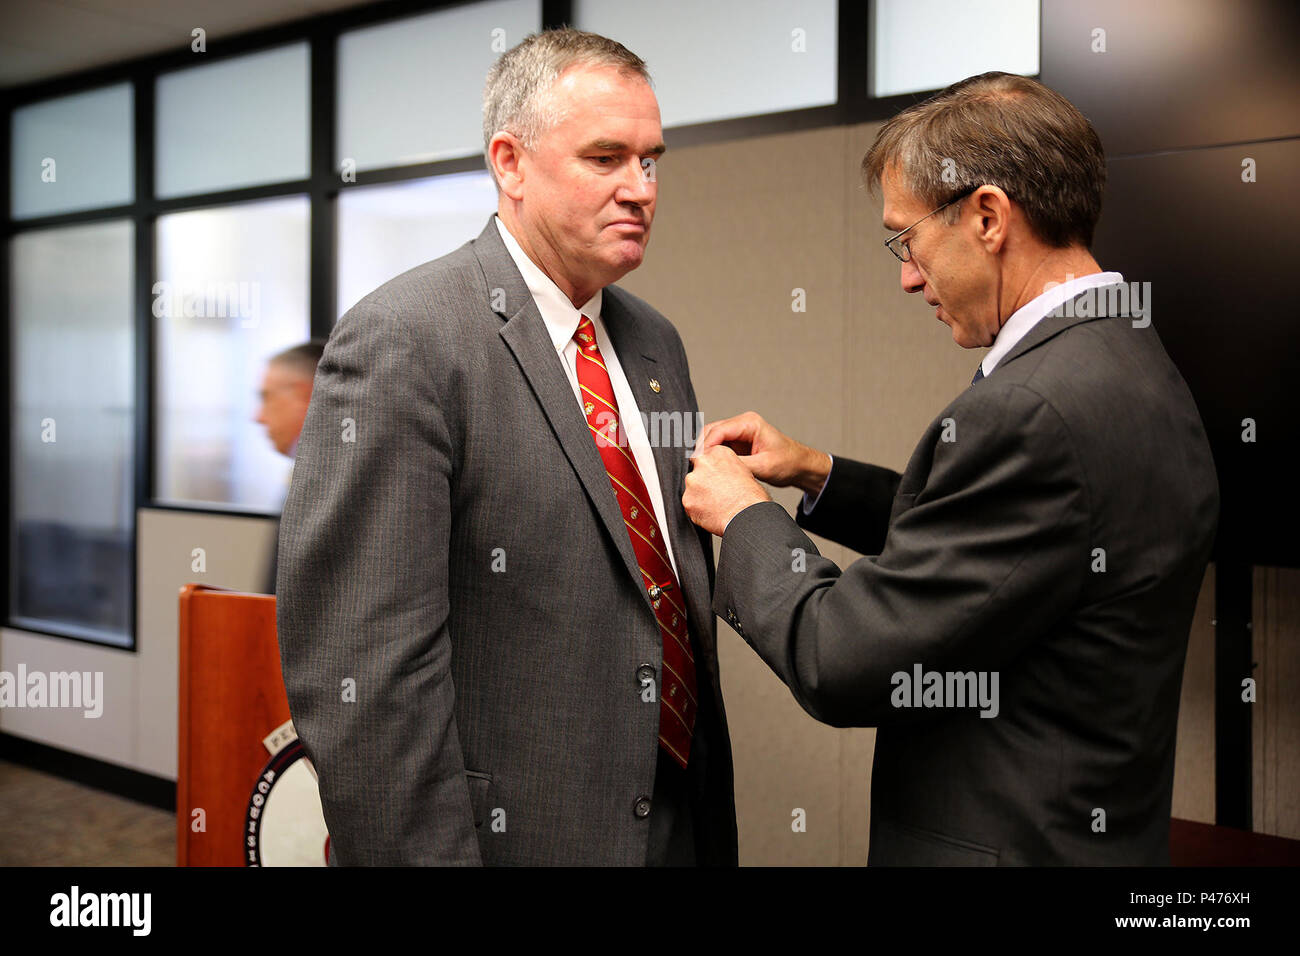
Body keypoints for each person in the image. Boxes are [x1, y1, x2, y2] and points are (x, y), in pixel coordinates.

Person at [683, 72, 1219, 865]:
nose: (907, 276)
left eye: (908, 239)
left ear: (989, 216)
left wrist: (746, 516)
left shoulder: (1032, 408)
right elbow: (1009, 550)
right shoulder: (1130, 357)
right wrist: (818, 474)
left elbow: (843, 660)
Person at [276, 29, 737, 866]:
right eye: (607, 158)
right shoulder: (405, 339)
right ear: (511, 163)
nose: (641, 189)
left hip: (674, 821)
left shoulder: (654, 343)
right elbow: (367, 679)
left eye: (651, 160)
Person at [253, 340, 323, 594]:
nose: (257, 417)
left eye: (266, 397)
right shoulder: (303, 471)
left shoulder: (326, 482)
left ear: (304, 394)